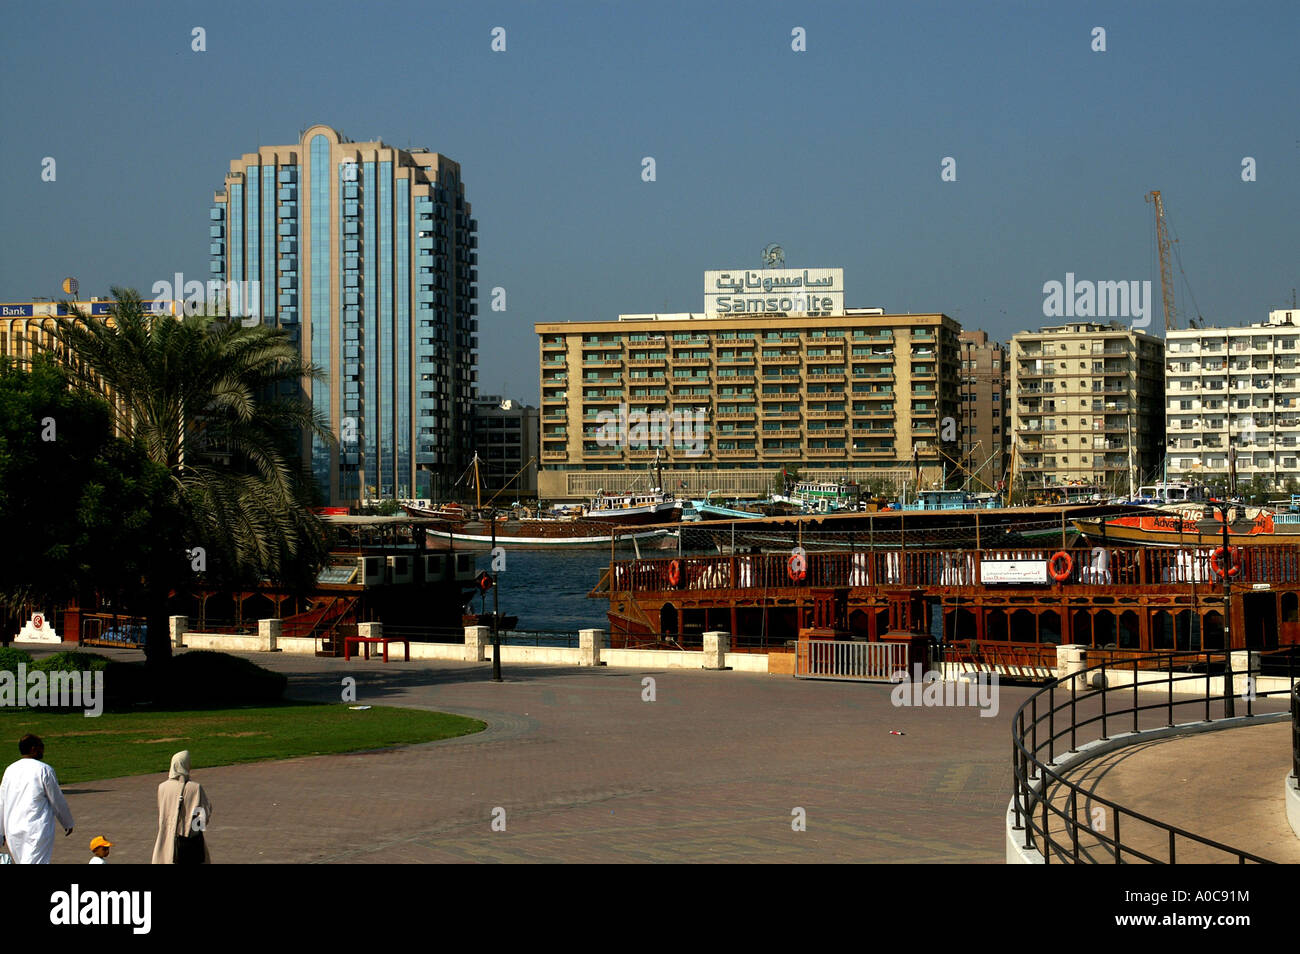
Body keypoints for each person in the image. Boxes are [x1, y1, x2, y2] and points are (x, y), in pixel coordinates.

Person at [0, 734, 75, 864]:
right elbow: (56, 799)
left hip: (13, 829)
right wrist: (67, 822)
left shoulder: (10, 770)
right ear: (34, 749)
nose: (43, 750)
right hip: (36, 829)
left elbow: (2, 802)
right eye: (42, 747)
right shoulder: (44, 770)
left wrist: (1, 831)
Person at [152, 751, 211, 864]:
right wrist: (191, 827)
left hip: (166, 838)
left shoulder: (162, 787)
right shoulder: (195, 788)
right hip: (188, 842)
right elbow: (203, 819)